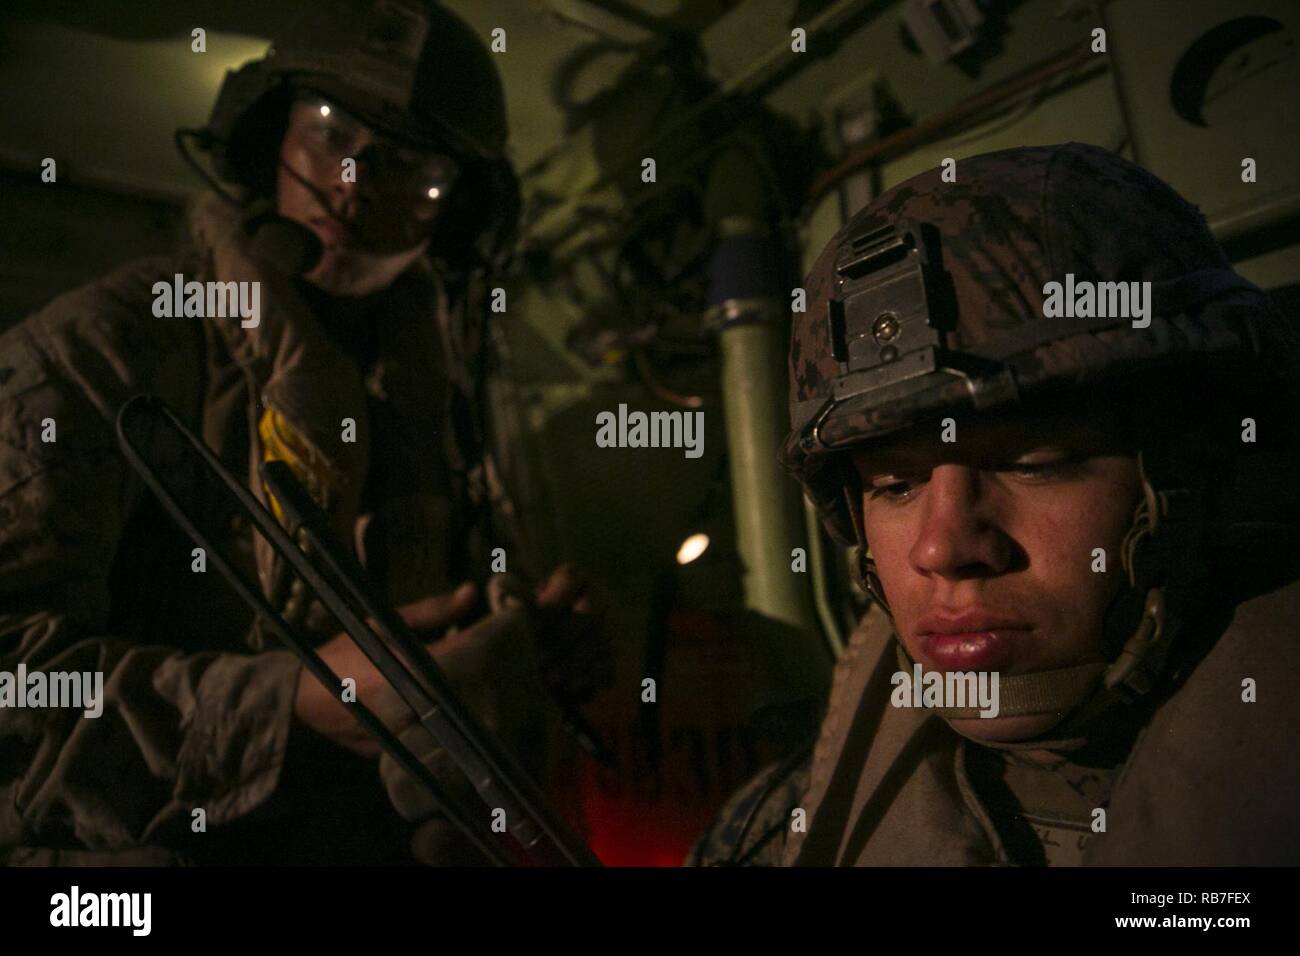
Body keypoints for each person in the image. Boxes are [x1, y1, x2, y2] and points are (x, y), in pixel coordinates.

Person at [0, 0, 607, 865]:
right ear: (264, 137)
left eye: (409, 169)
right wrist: (287, 704)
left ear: (457, 215)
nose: (355, 187)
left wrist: (527, 655)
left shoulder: (432, 397)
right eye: (330, 134)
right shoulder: (107, 343)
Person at [691, 142, 1300, 866]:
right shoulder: (774, 831)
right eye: (895, 484)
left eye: (1035, 463)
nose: (944, 547)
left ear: (1193, 469)